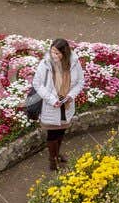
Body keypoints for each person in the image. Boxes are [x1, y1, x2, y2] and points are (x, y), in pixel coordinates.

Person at [32, 38, 84, 169]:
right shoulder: (45, 64)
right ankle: (52, 161)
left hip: (66, 104)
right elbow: (37, 84)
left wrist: (71, 96)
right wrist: (52, 100)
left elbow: (80, 82)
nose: (54, 55)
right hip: (51, 104)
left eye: (57, 53)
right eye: (52, 52)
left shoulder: (74, 63)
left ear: (65, 53)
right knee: (52, 134)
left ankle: (57, 154)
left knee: (61, 131)